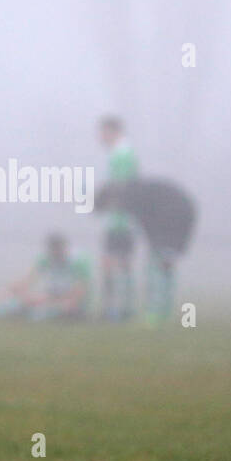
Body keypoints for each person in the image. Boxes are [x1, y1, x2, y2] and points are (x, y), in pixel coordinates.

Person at [94, 178, 196, 327]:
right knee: (165, 265)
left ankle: (157, 313)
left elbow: (147, 221)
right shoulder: (136, 191)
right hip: (179, 216)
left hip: (172, 218)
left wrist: (156, 244)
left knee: (158, 267)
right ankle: (163, 312)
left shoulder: (132, 197)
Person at [96, 115, 139, 321]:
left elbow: (121, 187)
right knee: (123, 264)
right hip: (124, 218)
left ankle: (114, 310)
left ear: (112, 131)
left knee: (112, 263)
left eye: (102, 132)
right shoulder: (124, 153)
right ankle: (125, 309)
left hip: (120, 220)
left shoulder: (121, 154)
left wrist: (101, 202)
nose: (100, 137)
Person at [0, 232, 91, 321]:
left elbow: (79, 292)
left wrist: (53, 302)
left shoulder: (79, 262)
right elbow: (28, 280)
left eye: (58, 248)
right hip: (52, 299)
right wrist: (13, 290)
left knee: (39, 315)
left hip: (73, 304)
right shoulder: (46, 259)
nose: (55, 252)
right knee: (12, 306)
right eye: (53, 249)